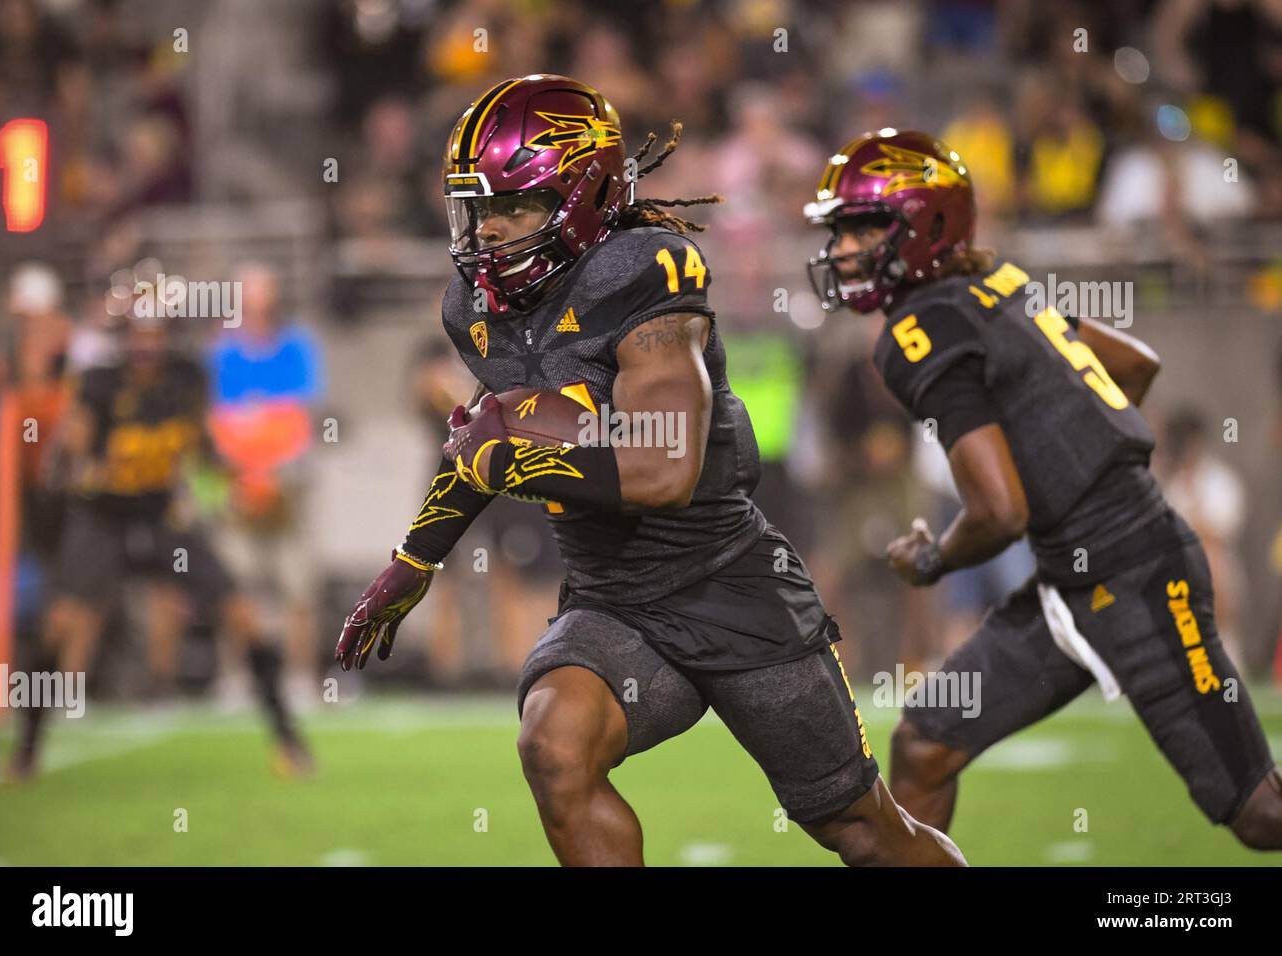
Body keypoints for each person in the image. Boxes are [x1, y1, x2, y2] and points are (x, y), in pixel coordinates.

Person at [333, 75, 964, 867]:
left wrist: (518, 453)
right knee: (554, 747)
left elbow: (665, 467)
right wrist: (413, 562)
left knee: (861, 829)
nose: (488, 231)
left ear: (582, 196)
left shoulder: (643, 273)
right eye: (478, 207)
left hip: (727, 585)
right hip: (611, 598)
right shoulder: (475, 305)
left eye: (513, 207)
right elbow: (484, 443)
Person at [803, 129, 1282, 850]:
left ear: (926, 225)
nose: (843, 249)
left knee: (1261, 816)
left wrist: (934, 557)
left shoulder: (919, 327)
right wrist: (1068, 453)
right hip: (1072, 581)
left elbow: (997, 513)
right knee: (925, 745)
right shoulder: (997, 286)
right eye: (839, 230)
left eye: (863, 226)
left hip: (1137, 574)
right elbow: (1135, 365)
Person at [6, 307, 311, 780]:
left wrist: (239, 481)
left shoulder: (186, 378)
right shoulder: (98, 384)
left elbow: (202, 449)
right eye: (138, 334)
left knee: (242, 616)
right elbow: (67, 458)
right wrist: (79, 464)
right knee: (60, 624)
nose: (147, 345)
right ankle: (26, 750)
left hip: (163, 513)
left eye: (155, 334)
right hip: (103, 516)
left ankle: (289, 742)